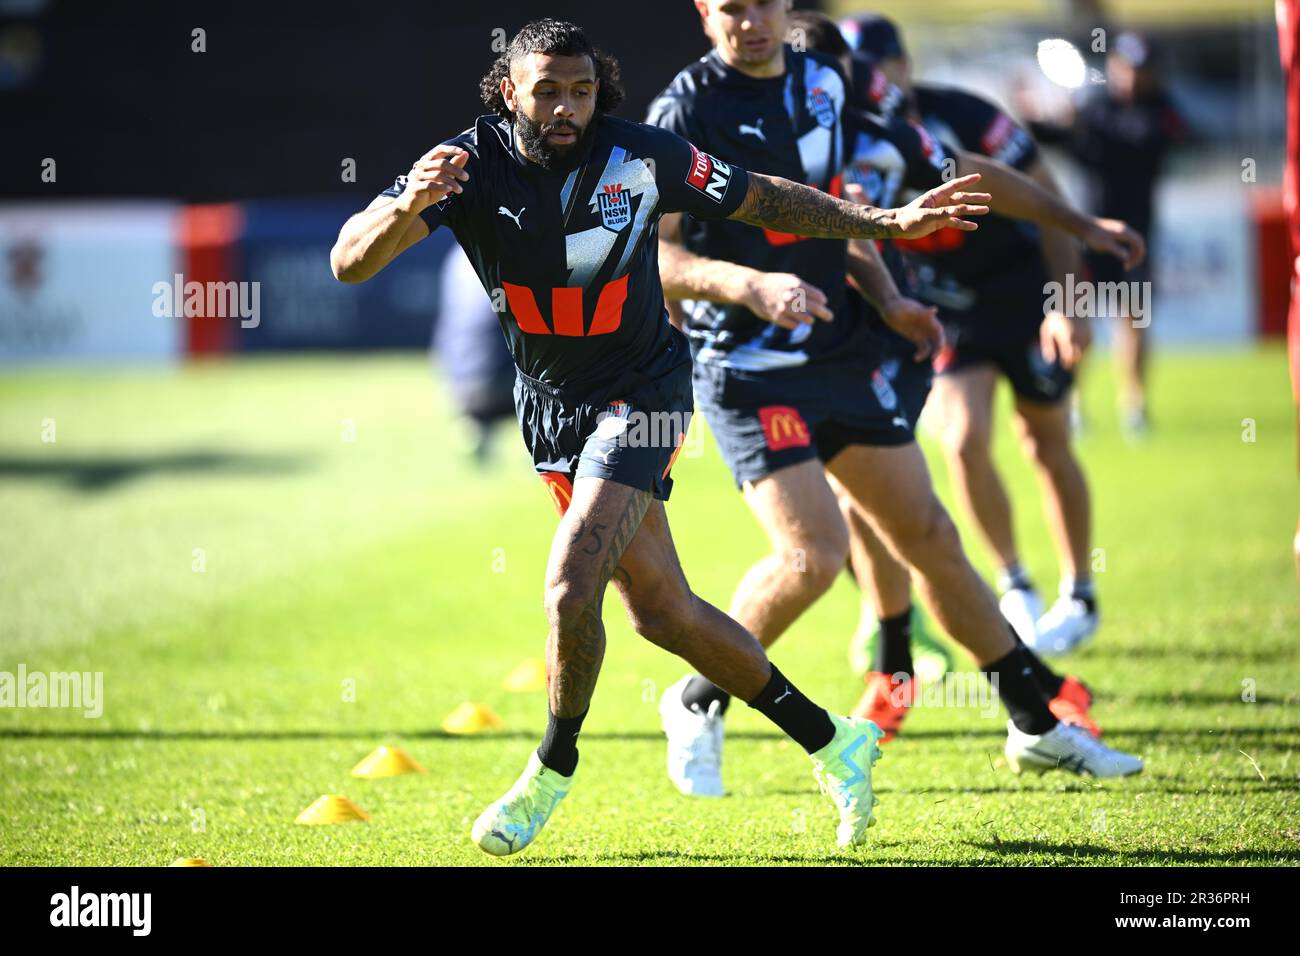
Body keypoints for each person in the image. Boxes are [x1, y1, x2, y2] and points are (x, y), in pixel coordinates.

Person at [329, 18, 992, 854]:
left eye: (581, 90)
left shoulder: (641, 156)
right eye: (546, 91)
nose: (566, 107)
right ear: (508, 92)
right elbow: (350, 262)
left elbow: (765, 194)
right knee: (661, 612)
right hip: (550, 406)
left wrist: (885, 223)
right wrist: (408, 203)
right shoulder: (463, 166)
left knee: (572, 588)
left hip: (642, 395)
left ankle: (551, 768)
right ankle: (835, 741)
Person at [648, 0, 1145, 791]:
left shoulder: (826, 85)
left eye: (762, 5)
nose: (749, 22)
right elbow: (659, 255)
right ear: (705, 12)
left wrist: (1074, 224)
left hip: (844, 353)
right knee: (814, 555)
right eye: (730, 7)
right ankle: (698, 699)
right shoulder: (683, 111)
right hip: (747, 365)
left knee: (930, 538)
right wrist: (746, 285)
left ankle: (1035, 723)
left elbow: (920, 184)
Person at [835, 12, 1102, 661]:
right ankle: (1014, 582)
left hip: (1024, 290)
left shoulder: (962, 116)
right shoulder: (846, 139)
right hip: (949, 308)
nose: (865, 82)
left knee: (1044, 439)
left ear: (902, 66)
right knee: (961, 440)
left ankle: (1080, 593)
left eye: (875, 67)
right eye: (851, 72)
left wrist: (1067, 303)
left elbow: (1045, 197)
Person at [1022, 30, 1187, 437]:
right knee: (1076, 317)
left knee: (1132, 321)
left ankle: (1134, 406)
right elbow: (1057, 142)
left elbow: (1140, 144)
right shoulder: (1096, 106)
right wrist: (1036, 116)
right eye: (1126, 67)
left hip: (1134, 237)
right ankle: (1074, 403)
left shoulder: (1161, 111)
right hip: (1085, 234)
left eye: (1140, 70)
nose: (1131, 77)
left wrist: (1082, 130)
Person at [434, 247, 517, 464]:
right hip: (507, 383)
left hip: (457, 384)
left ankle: (475, 430)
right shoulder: (517, 249)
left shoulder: (455, 257)